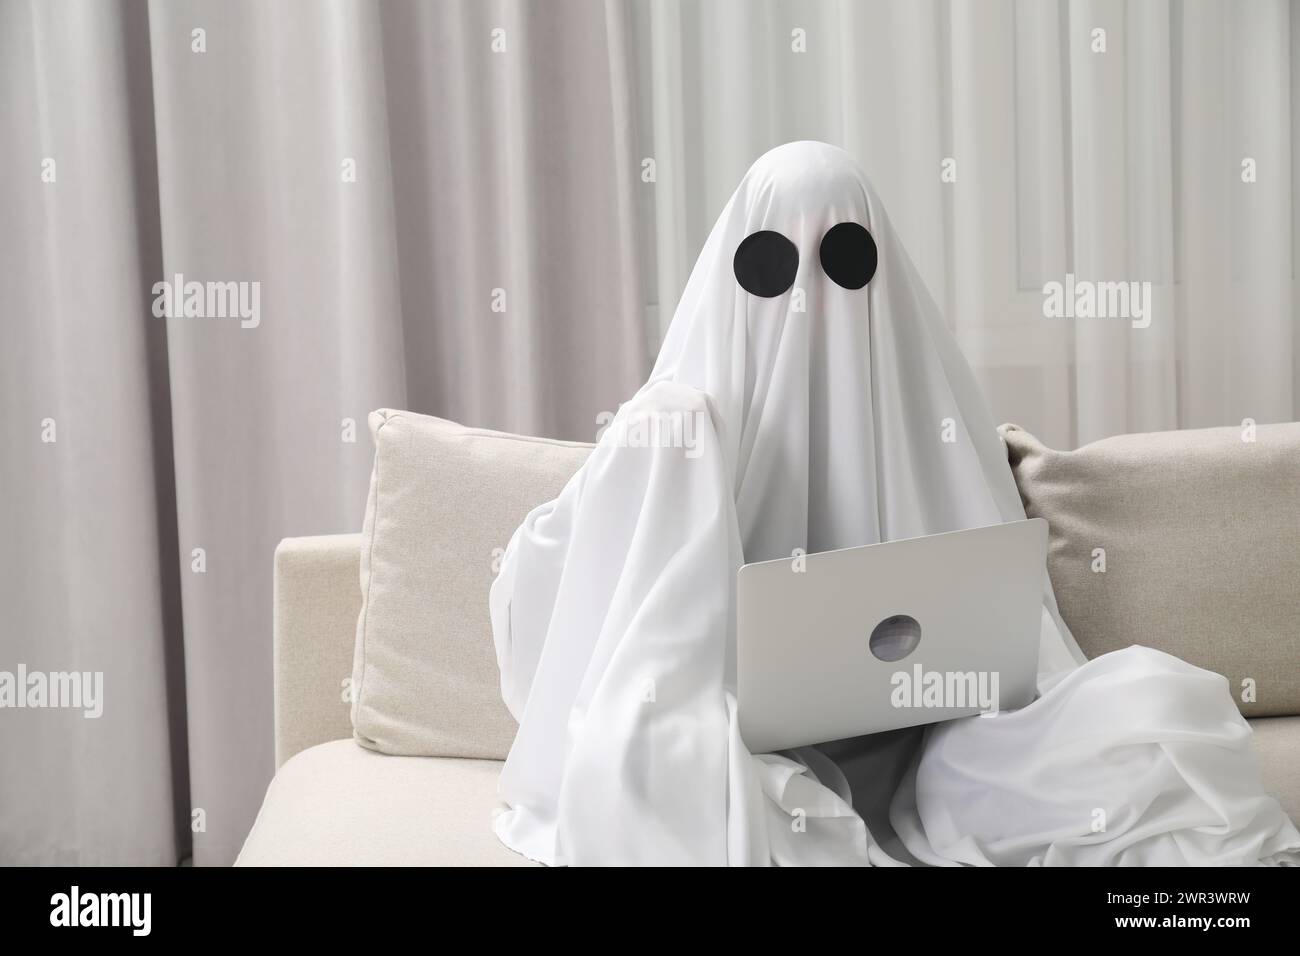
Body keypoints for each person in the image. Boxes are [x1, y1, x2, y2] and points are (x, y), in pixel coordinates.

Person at [489, 140, 1299, 866]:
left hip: (932, 740)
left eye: (844, 261)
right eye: (772, 268)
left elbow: (997, 621)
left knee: (1148, 711)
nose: (807, 299)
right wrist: (661, 455)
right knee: (651, 760)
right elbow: (566, 589)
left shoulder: (932, 413)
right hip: (736, 732)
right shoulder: (672, 430)